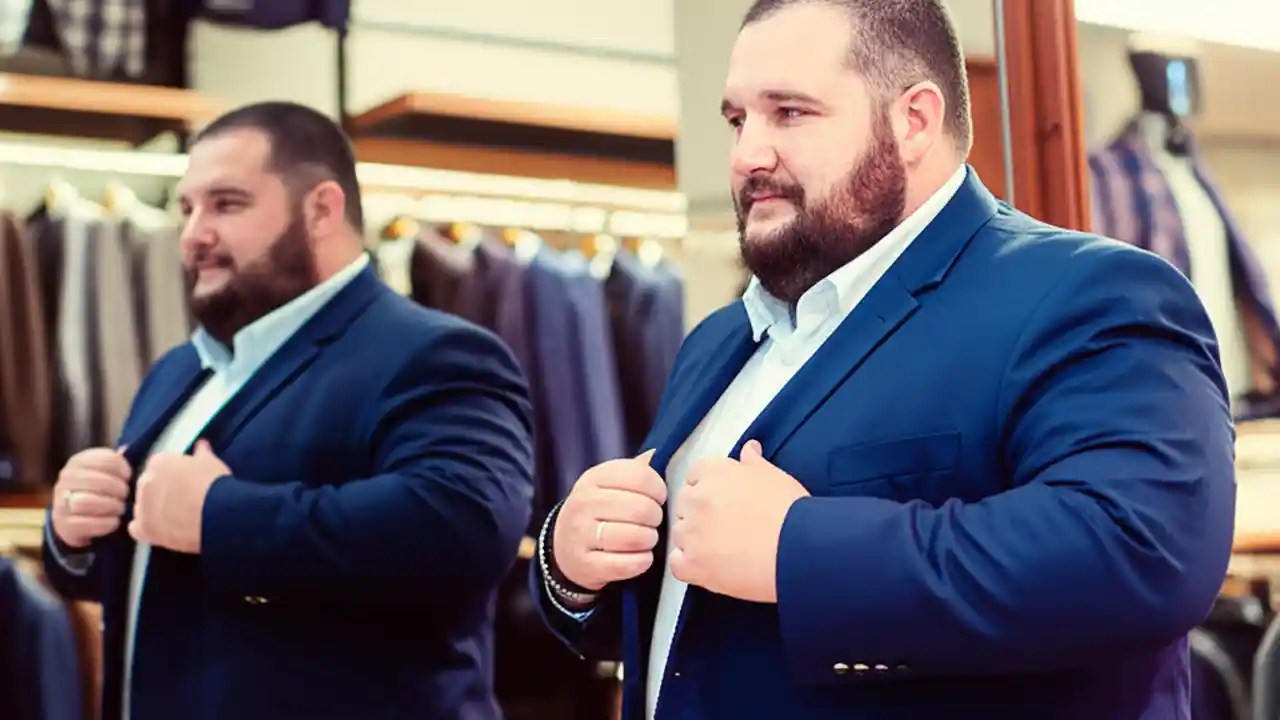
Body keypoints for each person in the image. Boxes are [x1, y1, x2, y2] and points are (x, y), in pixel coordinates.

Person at [532, 1, 1236, 718]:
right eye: (739, 119)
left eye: (791, 113)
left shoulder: (1088, 292)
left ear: (914, 121)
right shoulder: (719, 340)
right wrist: (572, 568)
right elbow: (699, 599)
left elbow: (1141, 552)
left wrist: (796, 550)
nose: (748, 155)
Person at [42, 102, 534, 720]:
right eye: (187, 208)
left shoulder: (435, 352)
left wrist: (218, 516)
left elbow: (463, 529)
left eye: (227, 204)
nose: (194, 234)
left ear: (321, 209)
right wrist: (75, 533)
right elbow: (158, 569)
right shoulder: (180, 369)